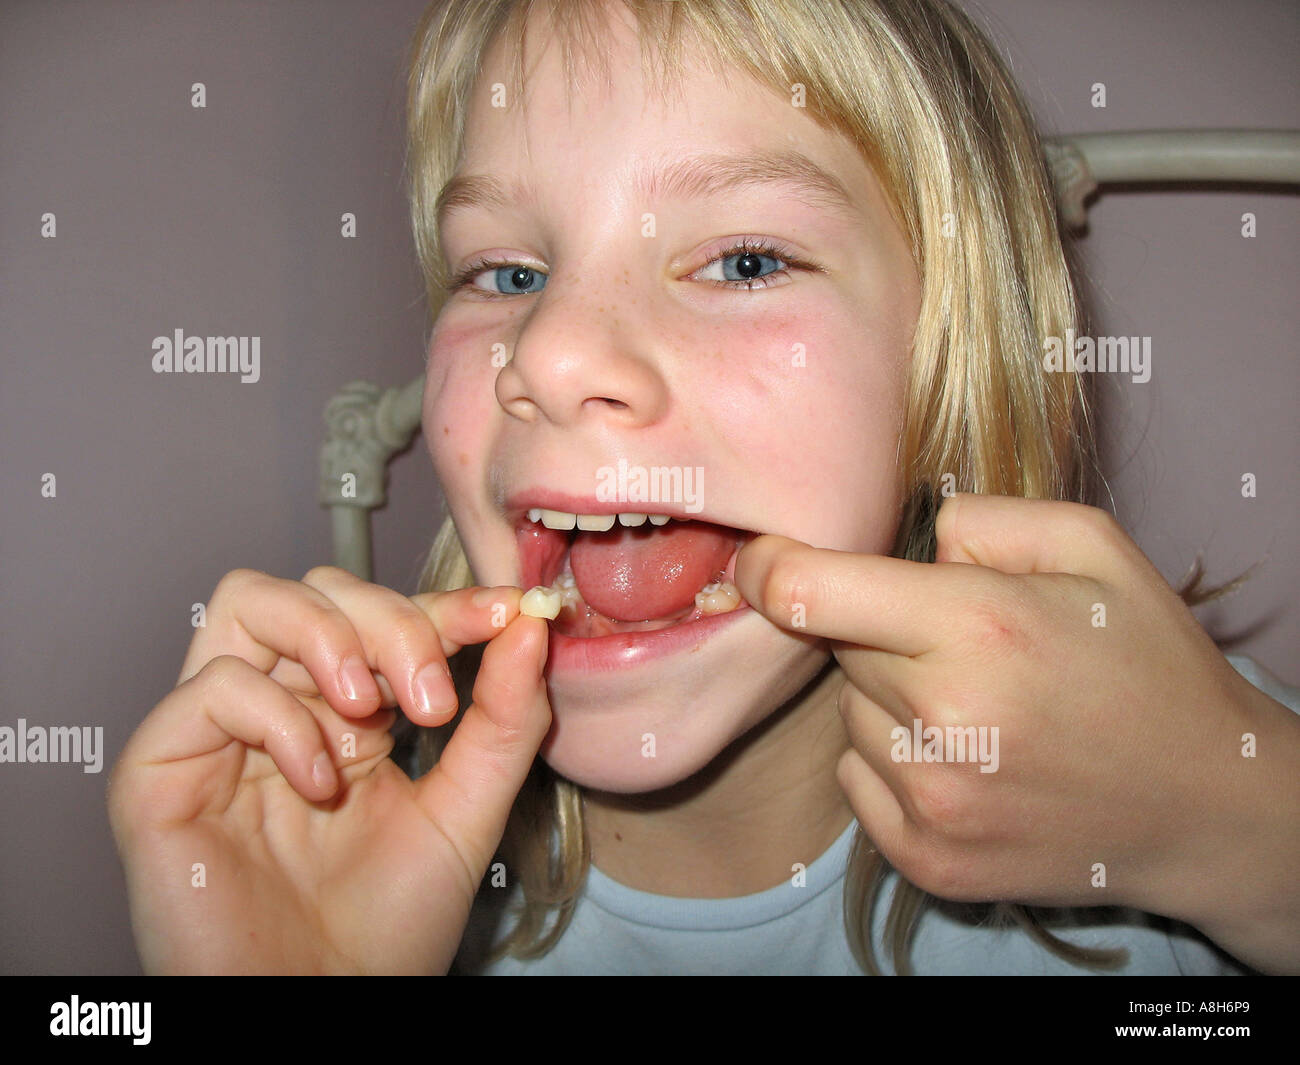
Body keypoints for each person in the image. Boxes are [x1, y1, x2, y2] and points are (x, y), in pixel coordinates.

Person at [108, 0, 1300, 976]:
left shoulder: (1189, 756)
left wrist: (1239, 838)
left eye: (744, 259)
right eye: (507, 270)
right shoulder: (338, 849)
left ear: (950, 365)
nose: (553, 352)